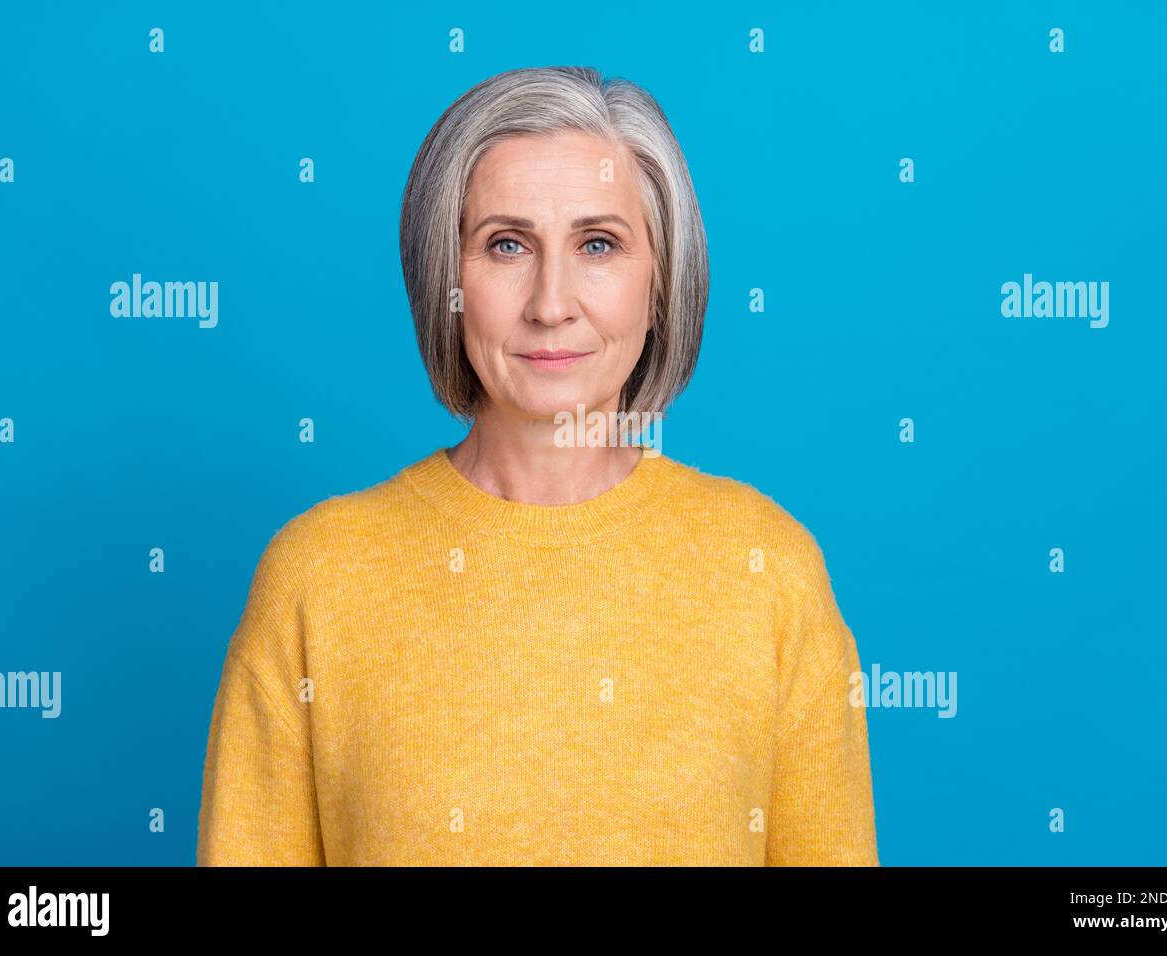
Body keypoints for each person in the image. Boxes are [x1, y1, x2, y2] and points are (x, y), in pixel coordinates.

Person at [196, 65, 878, 866]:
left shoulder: (772, 572)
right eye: (507, 244)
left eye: (599, 244)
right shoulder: (316, 577)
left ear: (661, 286)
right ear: (444, 279)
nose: (551, 302)